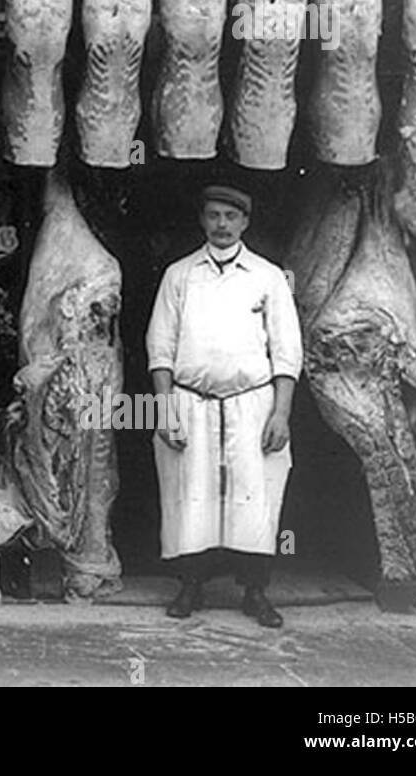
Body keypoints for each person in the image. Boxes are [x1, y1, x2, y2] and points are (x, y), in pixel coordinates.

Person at [145, 184, 302, 628]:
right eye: (213, 215)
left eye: (230, 217)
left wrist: (282, 412)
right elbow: (160, 345)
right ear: (202, 219)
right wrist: (164, 407)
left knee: (256, 499)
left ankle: (255, 592)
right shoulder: (179, 275)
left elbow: (288, 351)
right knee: (191, 497)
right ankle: (191, 585)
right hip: (190, 401)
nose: (221, 225)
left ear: (245, 222)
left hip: (252, 404)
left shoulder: (267, 276)